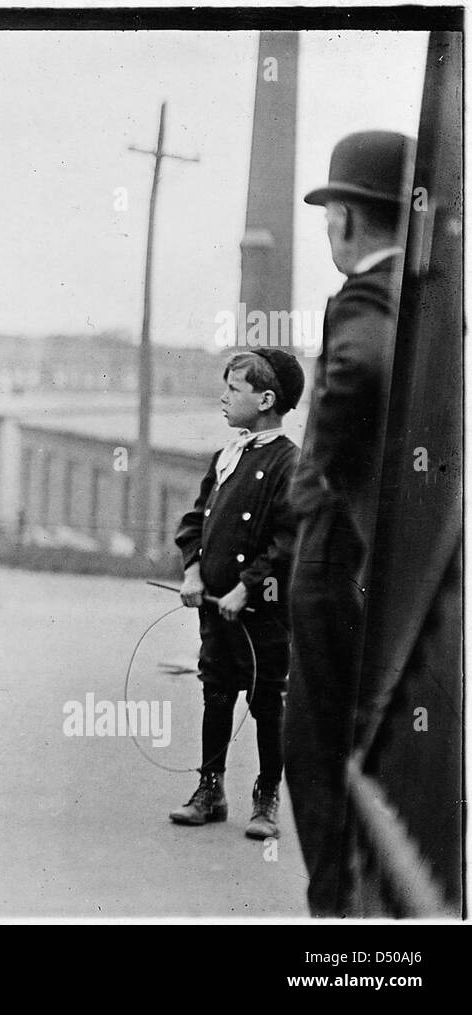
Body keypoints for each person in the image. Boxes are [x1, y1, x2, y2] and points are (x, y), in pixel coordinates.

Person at [285, 130, 413, 916]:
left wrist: (312, 474)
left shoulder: (369, 299)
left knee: (316, 748)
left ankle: (336, 919)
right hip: (381, 556)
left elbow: (360, 367)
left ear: (346, 219)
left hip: (336, 559)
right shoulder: (422, 291)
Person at [171, 349, 304, 840]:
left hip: (263, 612)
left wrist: (248, 589)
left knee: (267, 701)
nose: (224, 397)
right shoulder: (227, 456)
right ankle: (211, 789)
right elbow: (195, 521)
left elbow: (288, 540)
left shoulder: (291, 463)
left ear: (267, 399)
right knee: (217, 692)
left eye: (235, 389)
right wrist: (193, 573)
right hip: (216, 609)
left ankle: (266, 796)